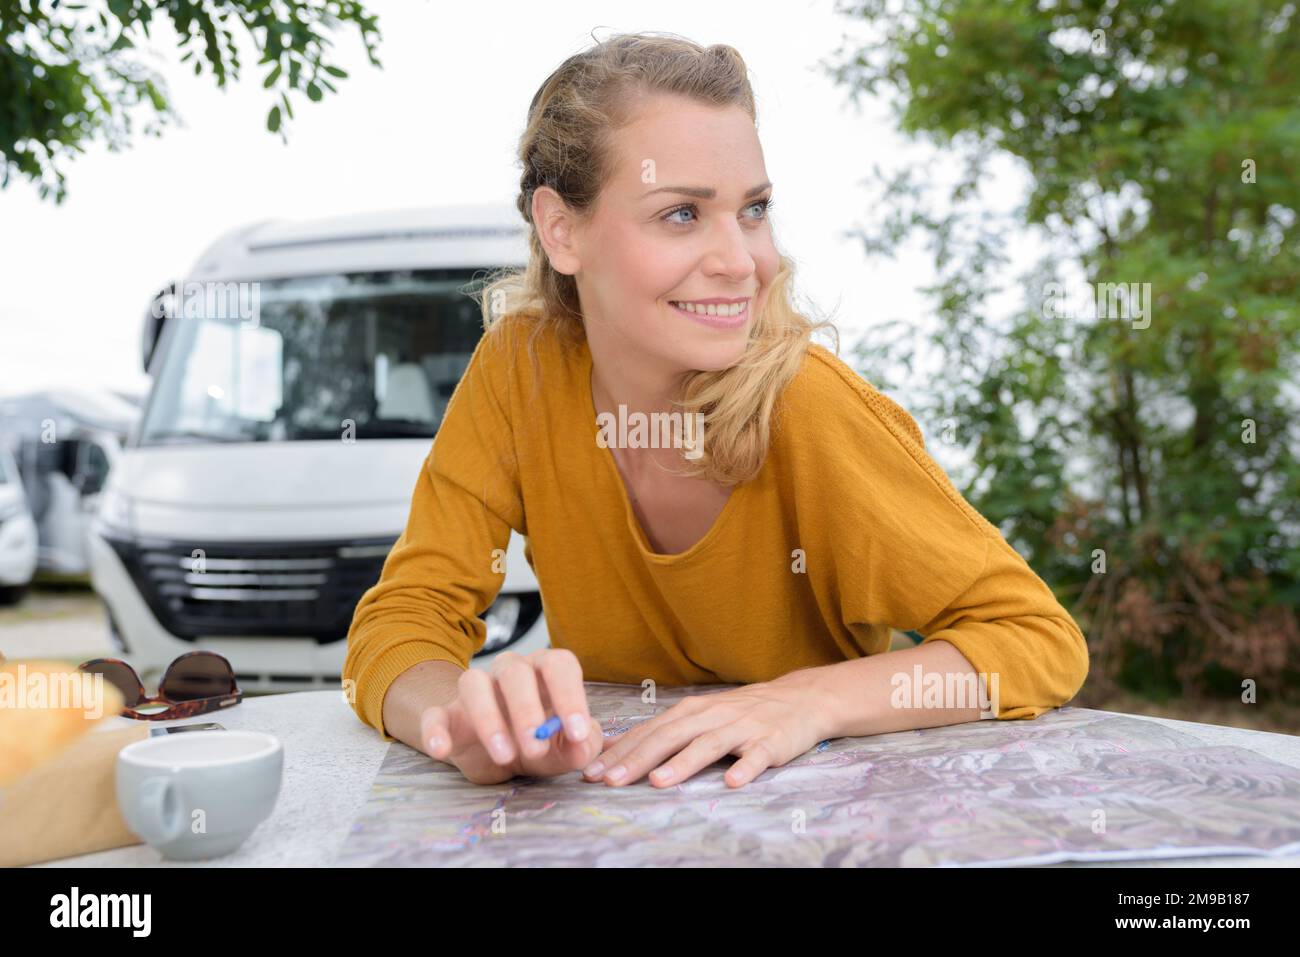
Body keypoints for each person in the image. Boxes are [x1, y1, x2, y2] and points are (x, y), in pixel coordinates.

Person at [342, 31, 1089, 790]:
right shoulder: (517, 371)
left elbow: (1036, 639)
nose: (742, 261)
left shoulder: (811, 405)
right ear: (562, 229)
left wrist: (810, 701)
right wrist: (462, 723)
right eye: (681, 215)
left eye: (754, 209)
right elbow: (404, 617)